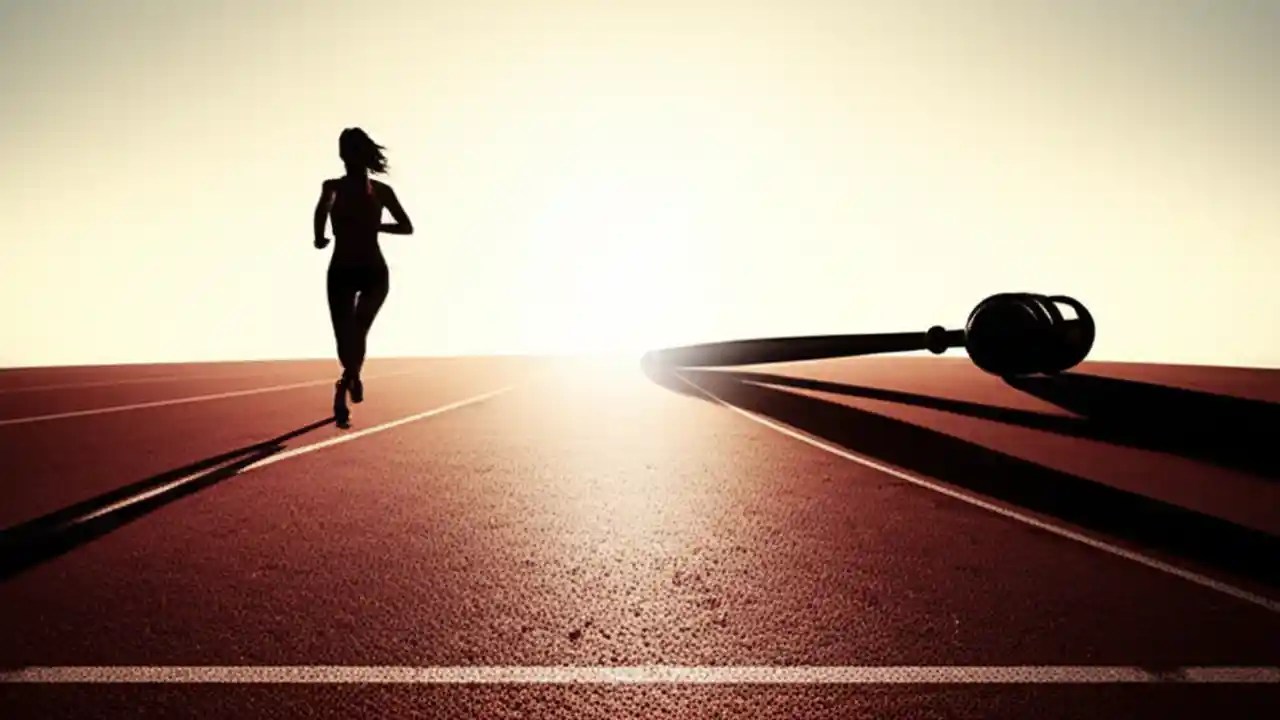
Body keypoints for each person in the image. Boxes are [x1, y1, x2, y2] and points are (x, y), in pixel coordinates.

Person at [313, 128, 413, 412]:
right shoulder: (332, 187)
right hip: (344, 271)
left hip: (372, 272)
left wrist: (374, 226)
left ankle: (348, 377)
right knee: (346, 335)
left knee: (357, 330)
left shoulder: (381, 191)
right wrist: (318, 234)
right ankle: (352, 374)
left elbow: (406, 226)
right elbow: (322, 208)